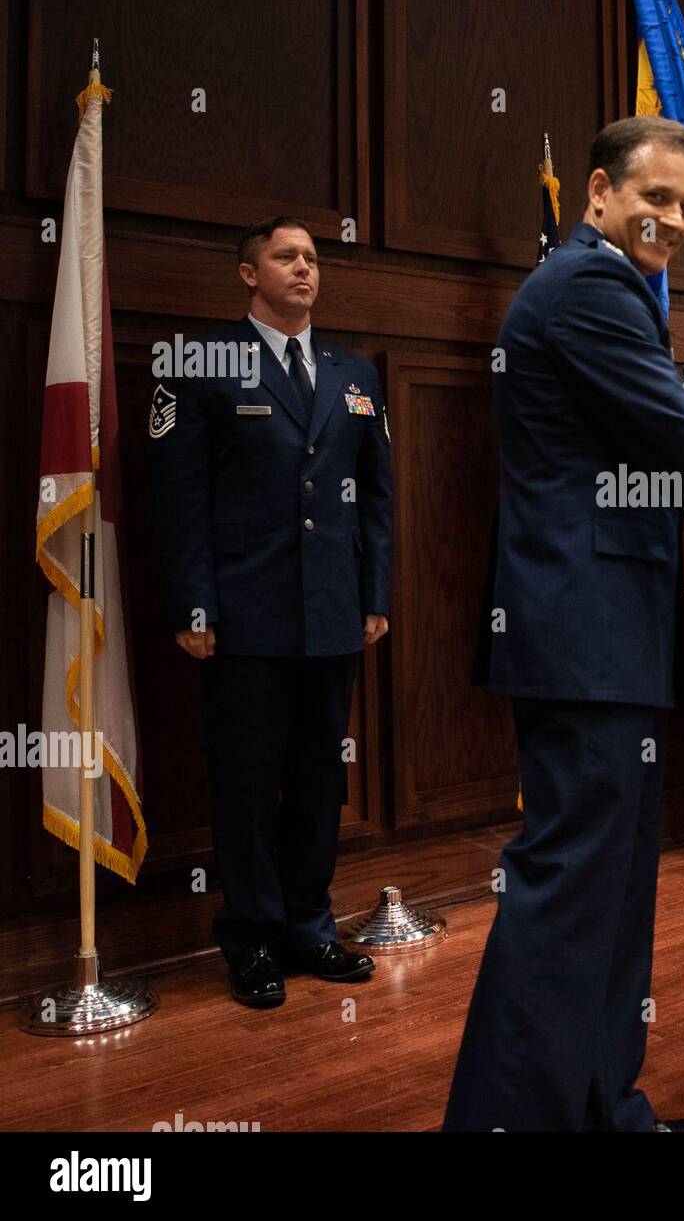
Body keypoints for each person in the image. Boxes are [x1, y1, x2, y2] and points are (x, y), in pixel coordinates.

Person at [444, 115, 684, 1133]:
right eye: (656, 197)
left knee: (609, 891)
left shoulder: (598, 293)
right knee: (569, 891)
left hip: (603, 635)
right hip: (581, 635)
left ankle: (603, 1106)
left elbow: (635, 444)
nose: (674, 219)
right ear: (598, 193)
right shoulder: (591, 286)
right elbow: (679, 456)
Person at [150, 215, 393, 1006]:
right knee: (248, 782)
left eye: (314, 259)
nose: (304, 269)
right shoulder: (200, 361)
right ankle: (251, 936)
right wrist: (193, 604)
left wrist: (375, 596)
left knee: (322, 777)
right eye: (287, 257)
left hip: (331, 612)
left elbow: (377, 502)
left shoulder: (353, 369)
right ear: (248, 273)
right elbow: (180, 497)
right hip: (244, 614)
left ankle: (309, 925)